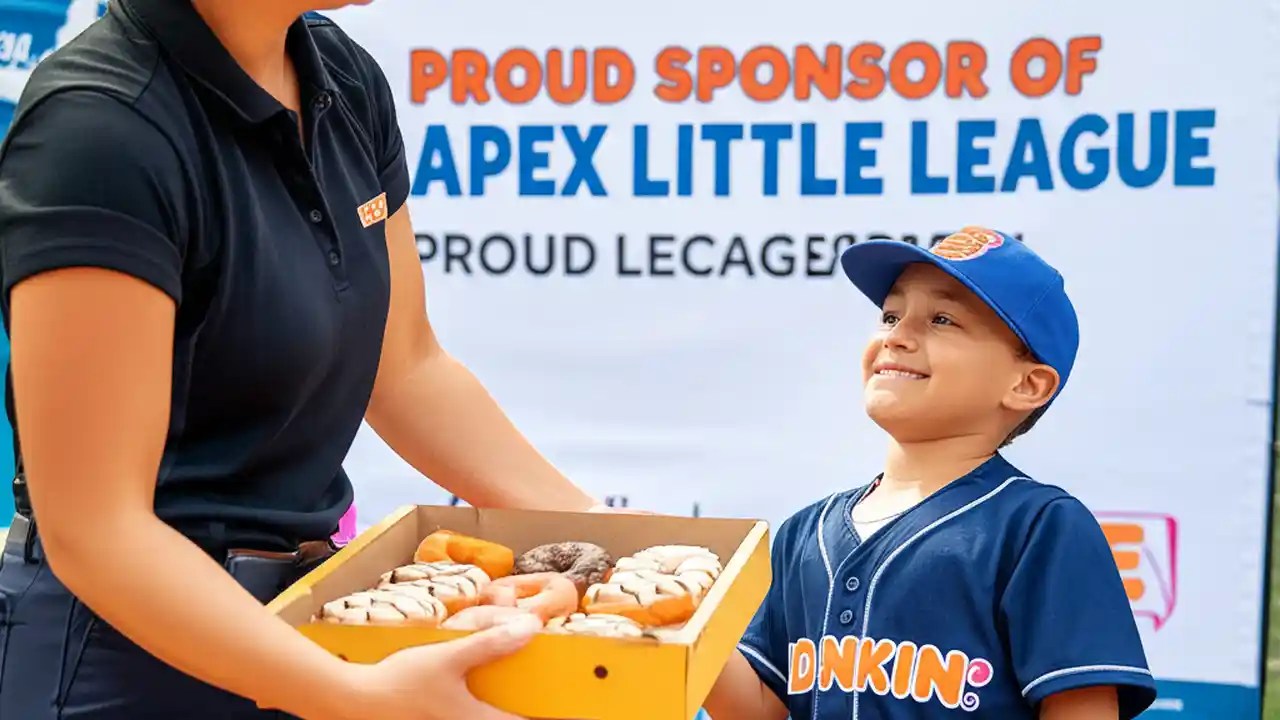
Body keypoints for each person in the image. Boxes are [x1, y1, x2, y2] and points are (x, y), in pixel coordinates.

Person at [0, 1, 632, 718]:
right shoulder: (98, 128)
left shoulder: (342, 77)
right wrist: (353, 697)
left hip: (312, 634)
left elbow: (408, 370)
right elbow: (96, 529)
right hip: (126, 666)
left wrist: (608, 534)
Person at [702, 227, 1158, 720]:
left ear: (1027, 384)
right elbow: (759, 708)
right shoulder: (803, 532)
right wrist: (684, 607)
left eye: (941, 319)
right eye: (890, 315)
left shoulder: (1038, 526)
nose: (896, 336)